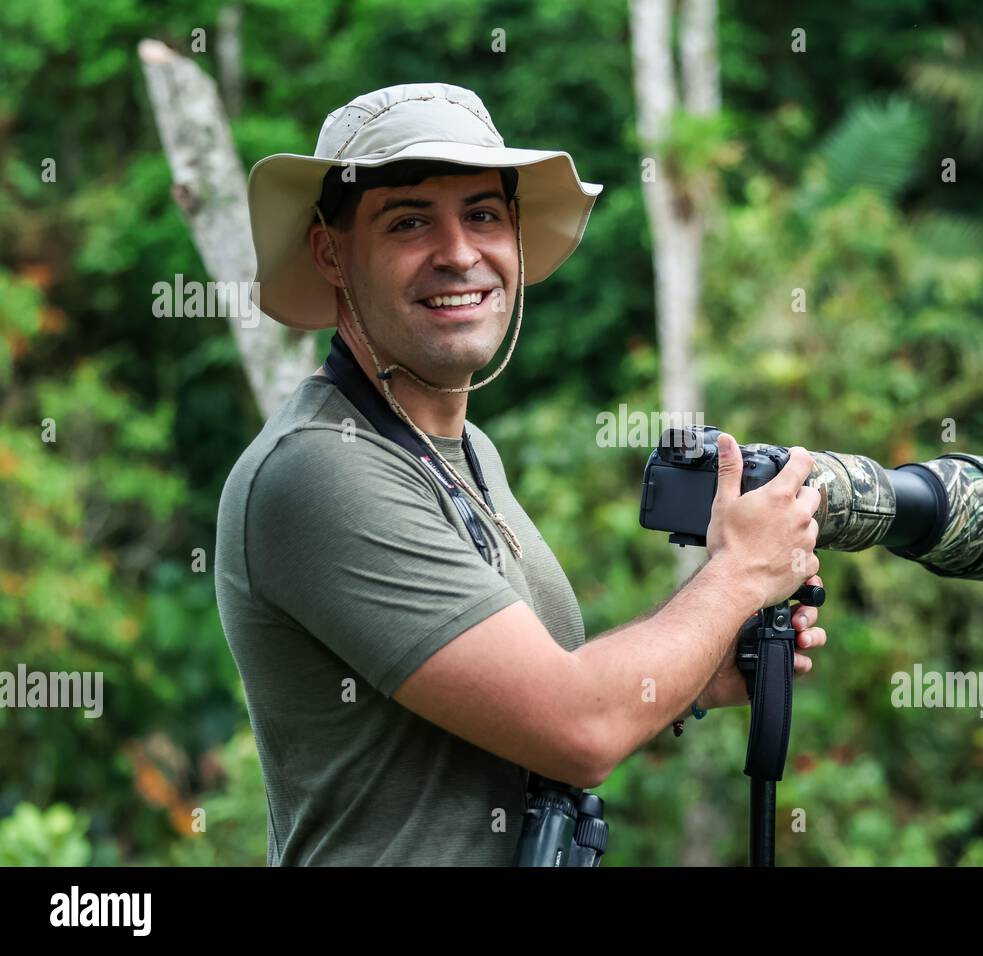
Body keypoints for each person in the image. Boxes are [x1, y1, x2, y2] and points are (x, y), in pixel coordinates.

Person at [214, 83, 827, 865]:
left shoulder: (466, 453)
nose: (459, 253)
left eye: (482, 215)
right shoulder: (320, 469)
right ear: (331, 253)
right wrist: (738, 575)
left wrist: (696, 668)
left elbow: (528, 703)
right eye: (408, 221)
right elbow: (578, 727)